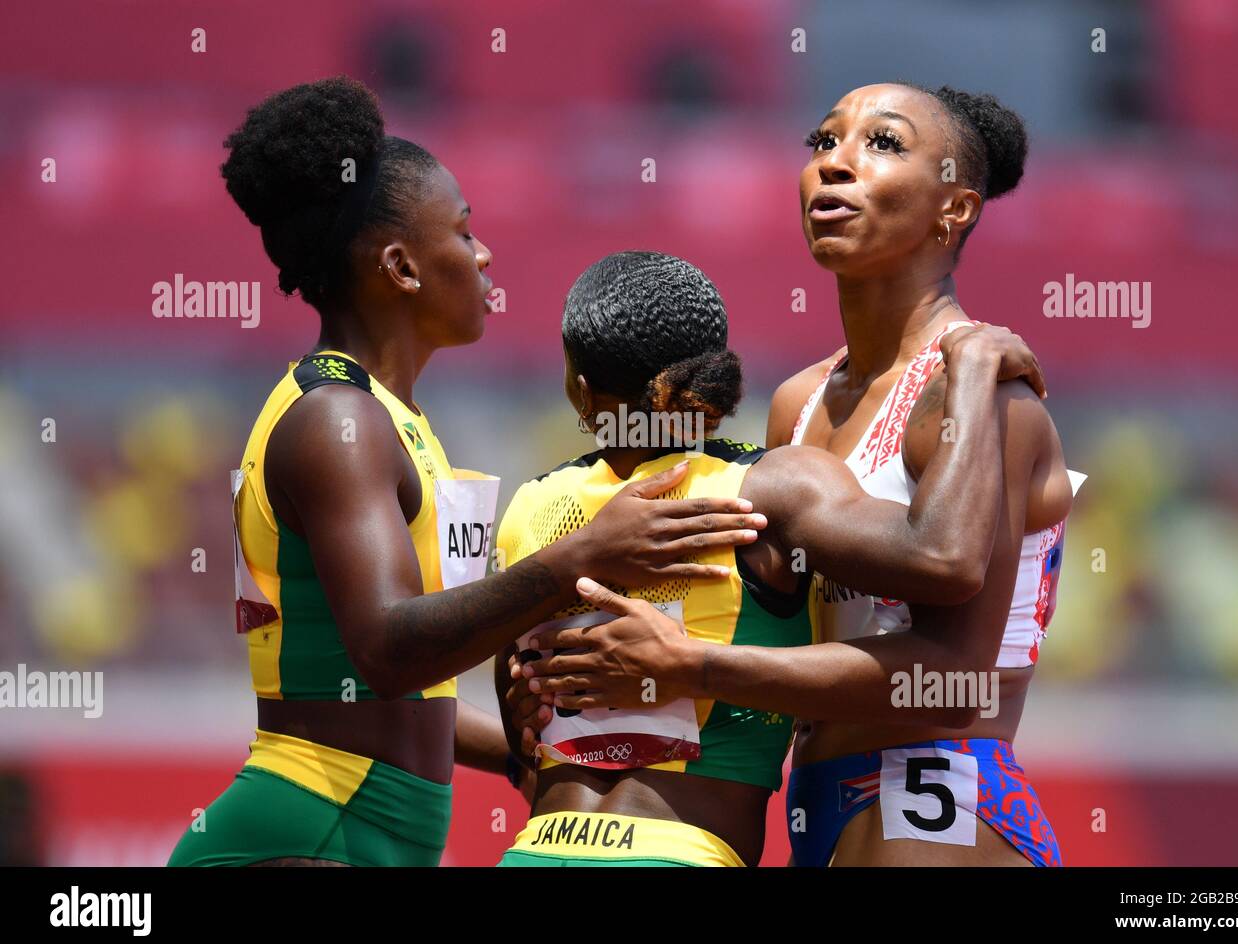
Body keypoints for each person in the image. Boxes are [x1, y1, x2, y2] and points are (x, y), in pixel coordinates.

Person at [167, 78, 762, 868]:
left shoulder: (384, 418)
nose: (484, 255)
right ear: (402, 269)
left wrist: (528, 750)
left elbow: (395, 693)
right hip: (309, 828)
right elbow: (387, 651)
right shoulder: (339, 421)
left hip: (357, 824)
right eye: (464, 230)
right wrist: (578, 559)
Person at [516, 84, 1076, 867]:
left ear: (955, 209)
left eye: (883, 144)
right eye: (822, 141)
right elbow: (769, 623)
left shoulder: (986, 396)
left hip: (935, 791)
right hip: (813, 797)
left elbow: (953, 683)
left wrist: (688, 665)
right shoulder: (799, 402)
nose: (836, 164)